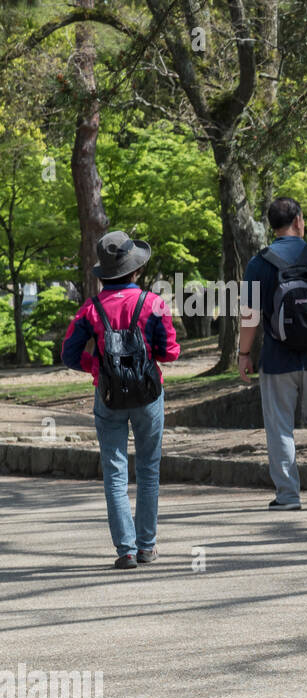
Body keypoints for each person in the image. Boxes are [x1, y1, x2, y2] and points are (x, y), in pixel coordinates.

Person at [62, 231, 180, 568]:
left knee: (114, 472)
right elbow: (169, 352)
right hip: (148, 395)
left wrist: (97, 368)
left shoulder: (90, 309)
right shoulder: (154, 304)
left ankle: (125, 551)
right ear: (135, 270)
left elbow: (69, 354)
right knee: (148, 469)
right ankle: (147, 546)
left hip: (108, 396)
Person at [238, 198, 307, 511]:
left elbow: (250, 315)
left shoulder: (258, 263)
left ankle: (288, 496)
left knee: (279, 426)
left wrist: (244, 353)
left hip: (277, 358)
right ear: (299, 219)